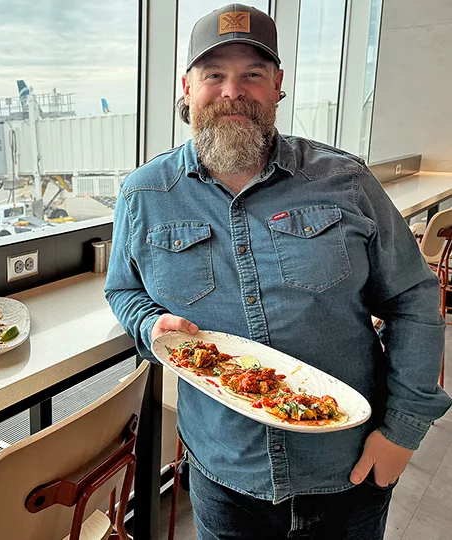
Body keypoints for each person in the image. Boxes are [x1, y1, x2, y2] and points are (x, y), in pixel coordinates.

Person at [104, 4, 451, 539]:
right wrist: (150, 325)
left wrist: (402, 431)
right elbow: (124, 289)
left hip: (347, 468)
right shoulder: (144, 195)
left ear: (278, 87)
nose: (232, 91)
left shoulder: (345, 180)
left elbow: (413, 299)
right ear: (187, 87)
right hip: (224, 474)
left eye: (253, 75)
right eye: (214, 74)